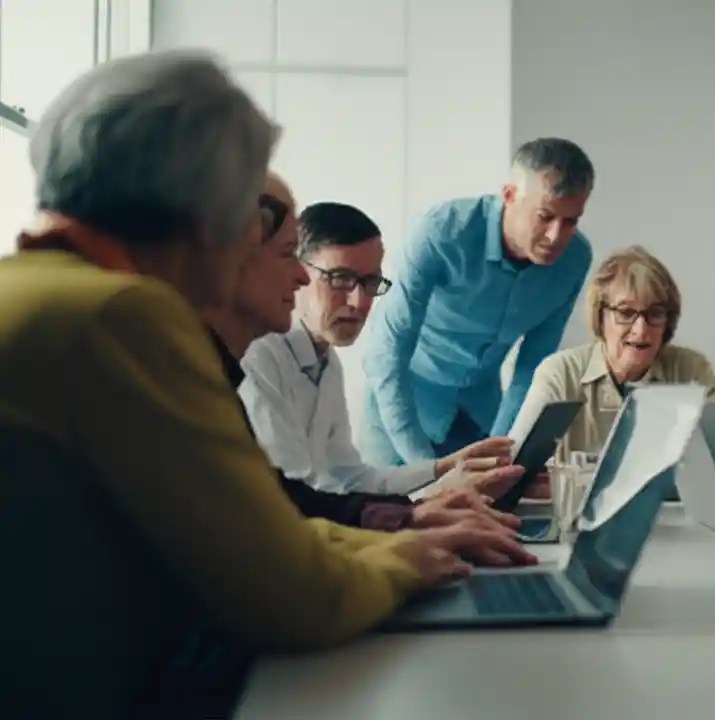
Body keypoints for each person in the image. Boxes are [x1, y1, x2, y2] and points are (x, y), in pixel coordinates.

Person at [0, 51, 533, 719]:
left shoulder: (36, 293)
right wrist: (411, 559)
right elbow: (292, 596)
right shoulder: (121, 316)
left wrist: (404, 532)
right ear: (202, 207)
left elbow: (259, 526)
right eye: (248, 211)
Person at [213, 181, 522, 531]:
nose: (360, 302)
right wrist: (430, 499)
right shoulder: (257, 357)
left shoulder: (324, 360)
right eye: (340, 278)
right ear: (297, 270)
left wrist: (443, 468)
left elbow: (350, 476)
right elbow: (304, 495)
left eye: (370, 282)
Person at [361, 138, 595, 465]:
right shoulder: (440, 233)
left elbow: (532, 369)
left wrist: (501, 454)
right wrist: (426, 470)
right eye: (545, 216)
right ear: (510, 196)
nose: (557, 236)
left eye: (571, 221)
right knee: (390, 512)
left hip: (481, 414)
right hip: (399, 411)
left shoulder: (574, 260)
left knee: (487, 510)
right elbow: (387, 351)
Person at [509, 246, 715, 463]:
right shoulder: (560, 373)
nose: (641, 329)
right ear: (600, 316)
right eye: (625, 312)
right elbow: (515, 470)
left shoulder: (692, 371)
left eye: (655, 313)